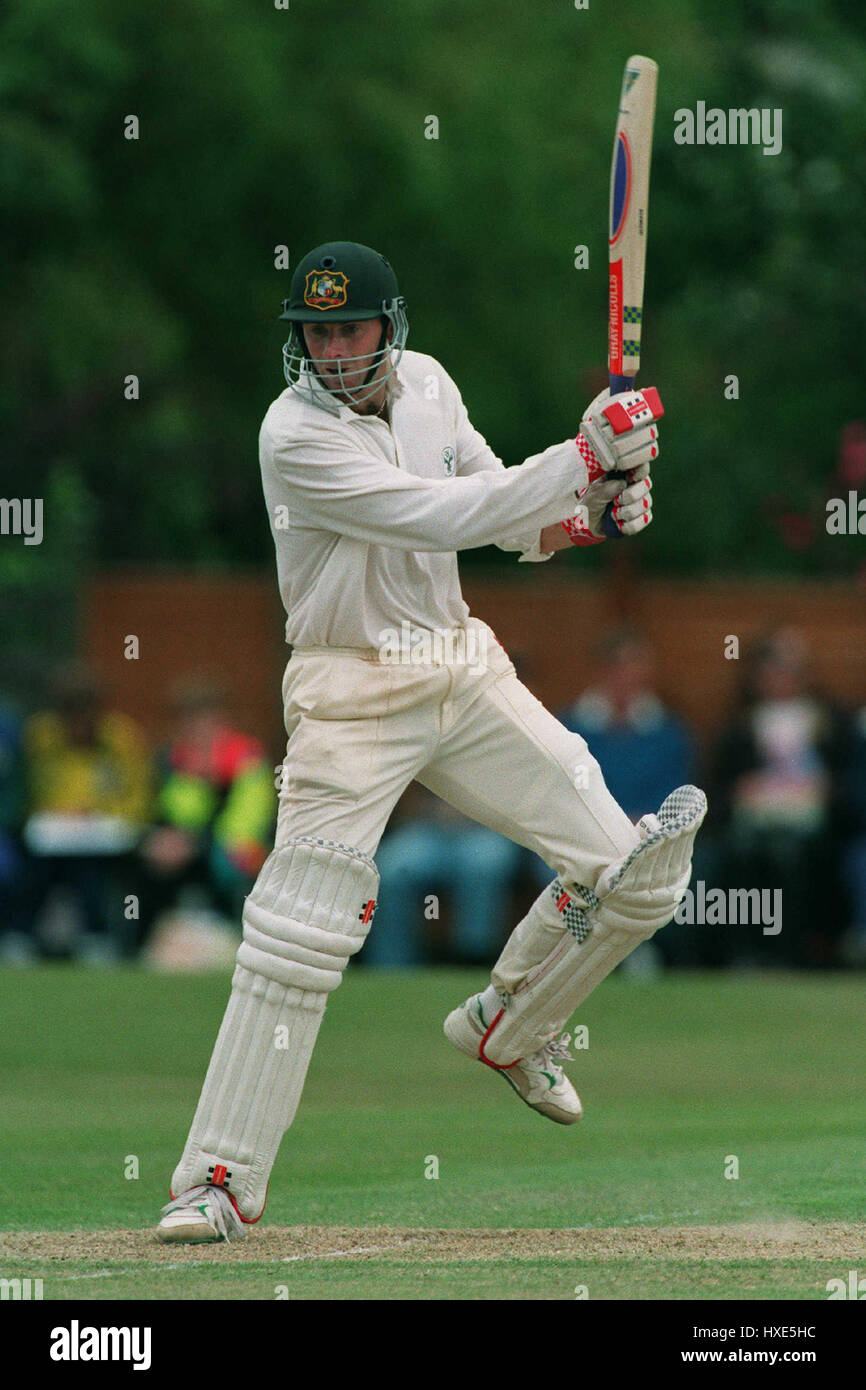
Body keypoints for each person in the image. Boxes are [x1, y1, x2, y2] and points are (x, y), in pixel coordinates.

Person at [157, 241, 705, 1243]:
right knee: (299, 927)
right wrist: (583, 458)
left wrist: (588, 515)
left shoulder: (431, 386)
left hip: (457, 666)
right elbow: (437, 516)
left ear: (387, 324)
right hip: (349, 688)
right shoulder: (293, 435)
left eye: (346, 328)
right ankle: (215, 1180)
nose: (329, 350)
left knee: (638, 871)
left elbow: (506, 516)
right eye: (313, 332)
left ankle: (509, 1024)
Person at [135, 678, 276, 950]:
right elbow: (172, 812)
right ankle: (143, 947)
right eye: (191, 721)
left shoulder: (248, 758)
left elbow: (250, 819)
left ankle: (237, 941)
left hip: (235, 847)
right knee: (149, 860)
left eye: (207, 720)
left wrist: (196, 842)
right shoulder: (173, 759)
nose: (200, 729)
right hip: (184, 846)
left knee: (226, 863)